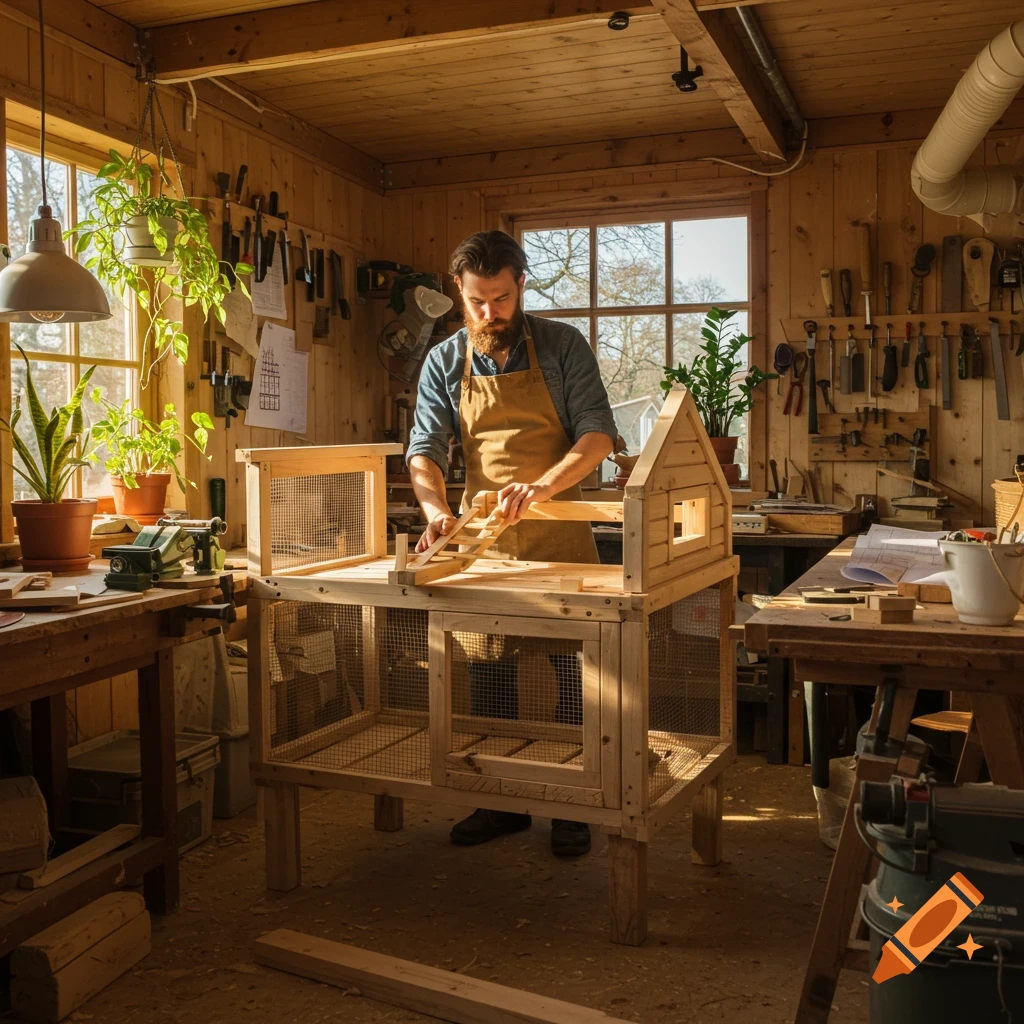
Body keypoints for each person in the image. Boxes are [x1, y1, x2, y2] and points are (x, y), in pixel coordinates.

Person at [406, 230, 617, 857]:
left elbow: (598, 435)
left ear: (520, 285)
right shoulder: (445, 360)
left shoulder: (560, 346)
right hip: (484, 544)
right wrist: (437, 511)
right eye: (476, 301)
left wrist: (544, 485)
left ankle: (573, 804)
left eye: (499, 299)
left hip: (560, 538)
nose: (488, 314)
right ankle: (497, 798)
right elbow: (424, 449)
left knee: (576, 675)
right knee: (489, 672)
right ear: (458, 293)